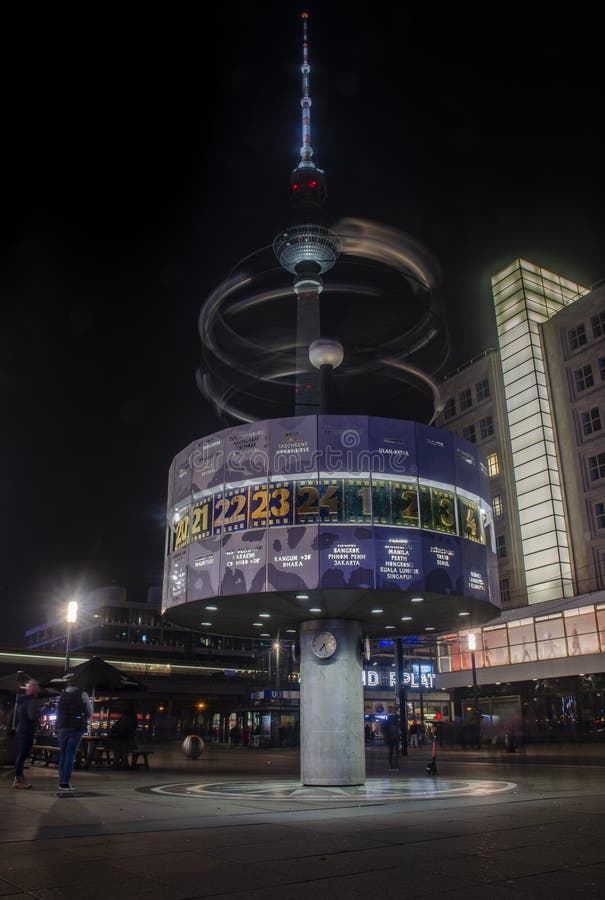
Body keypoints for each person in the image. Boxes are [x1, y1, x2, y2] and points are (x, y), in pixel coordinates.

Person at [55, 676, 93, 792]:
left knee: (63, 754)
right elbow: (90, 711)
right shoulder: (83, 694)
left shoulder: (61, 696)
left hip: (62, 727)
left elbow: (58, 711)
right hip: (76, 728)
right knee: (70, 755)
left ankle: (61, 781)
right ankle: (65, 783)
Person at [13, 679, 41, 789]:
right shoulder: (32, 701)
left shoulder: (22, 701)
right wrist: (39, 713)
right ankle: (18, 780)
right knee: (22, 755)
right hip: (27, 731)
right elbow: (32, 716)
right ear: (33, 688)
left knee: (21, 755)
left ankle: (19, 778)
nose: (38, 688)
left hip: (21, 730)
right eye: (36, 686)